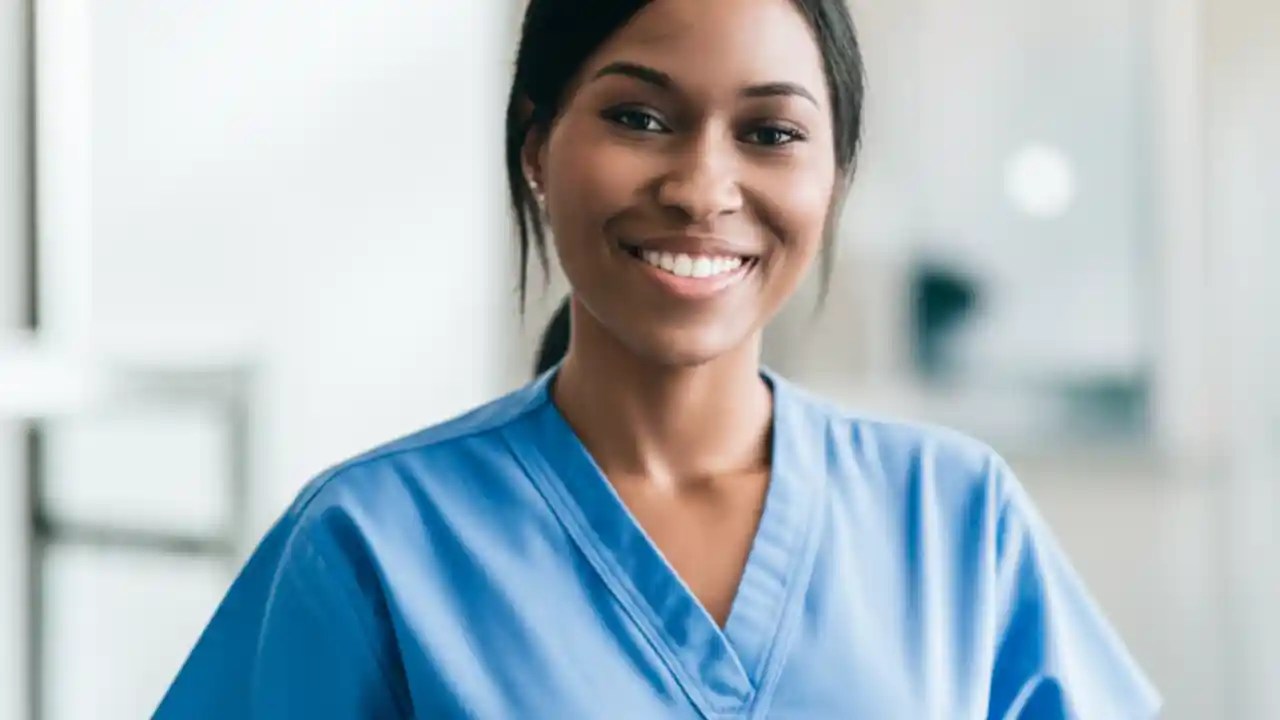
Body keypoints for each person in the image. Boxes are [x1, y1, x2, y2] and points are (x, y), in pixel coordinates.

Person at [155, 0, 1161, 717]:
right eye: (639, 117)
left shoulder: (954, 523)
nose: (701, 186)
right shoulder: (371, 544)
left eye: (769, 132)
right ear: (534, 145)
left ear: (831, 179)